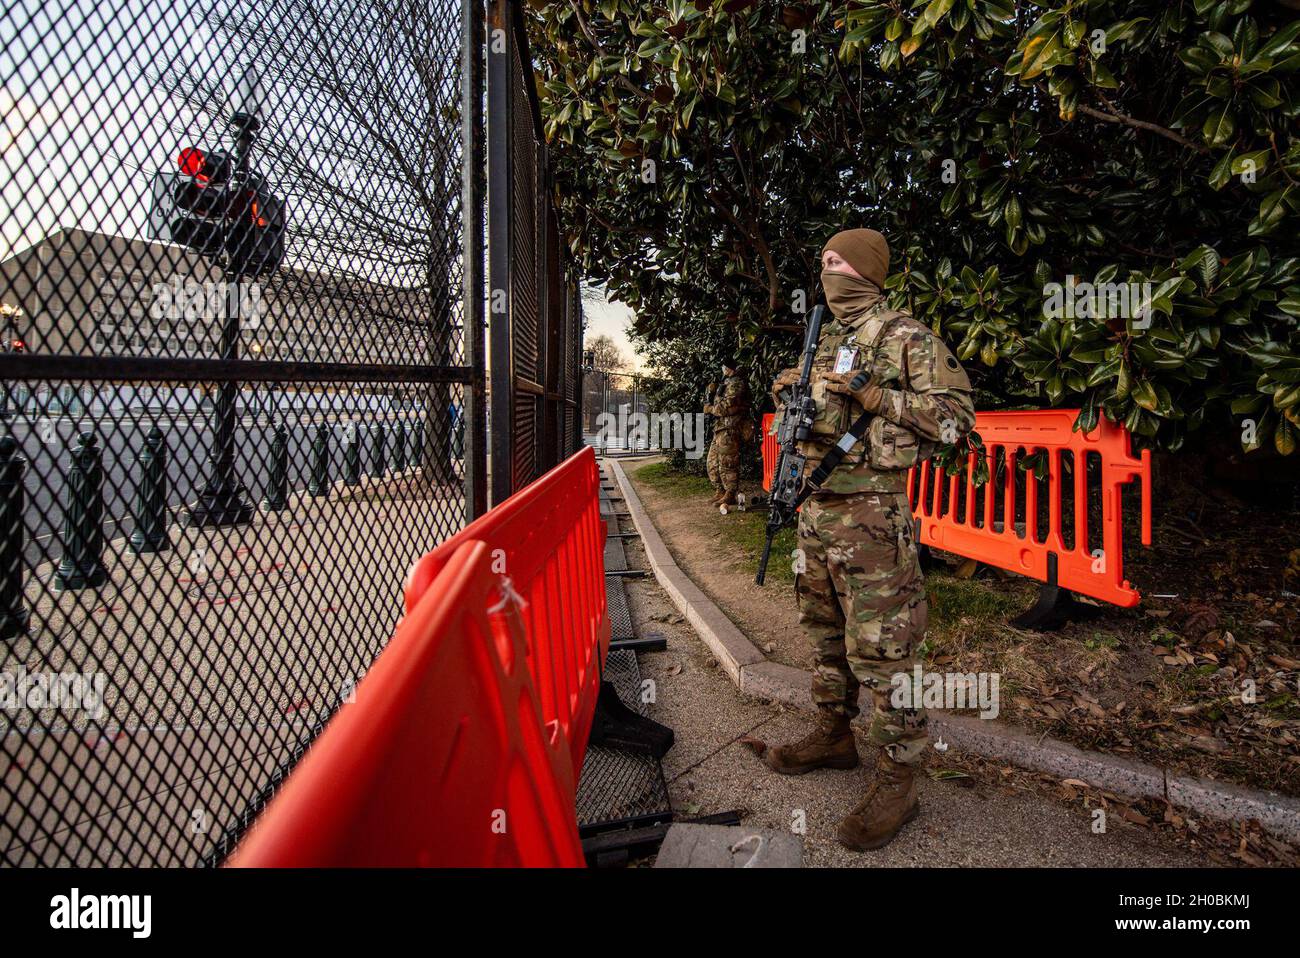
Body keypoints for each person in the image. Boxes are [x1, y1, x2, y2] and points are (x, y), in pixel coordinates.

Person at [764, 228, 974, 850]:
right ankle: (834, 734)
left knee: (884, 652)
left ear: (863, 269)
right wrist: (792, 394)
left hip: (872, 518)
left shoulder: (903, 335)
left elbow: (958, 418)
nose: (826, 268)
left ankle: (899, 781)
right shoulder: (825, 339)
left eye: (836, 260)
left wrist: (878, 395)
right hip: (814, 509)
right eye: (823, 259)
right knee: (825, 634)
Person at [704, 355, 752, 508]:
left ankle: (730, 494)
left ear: (729, 368)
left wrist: (711, 409)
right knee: (712, 462)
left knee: (728, 463)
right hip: (720, 428)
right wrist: (711, 394)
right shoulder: (725, 383)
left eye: (724, 366)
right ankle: (720, 490)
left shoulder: (737, 383)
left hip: (730, 429)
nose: (722, 369)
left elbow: (728, 406)